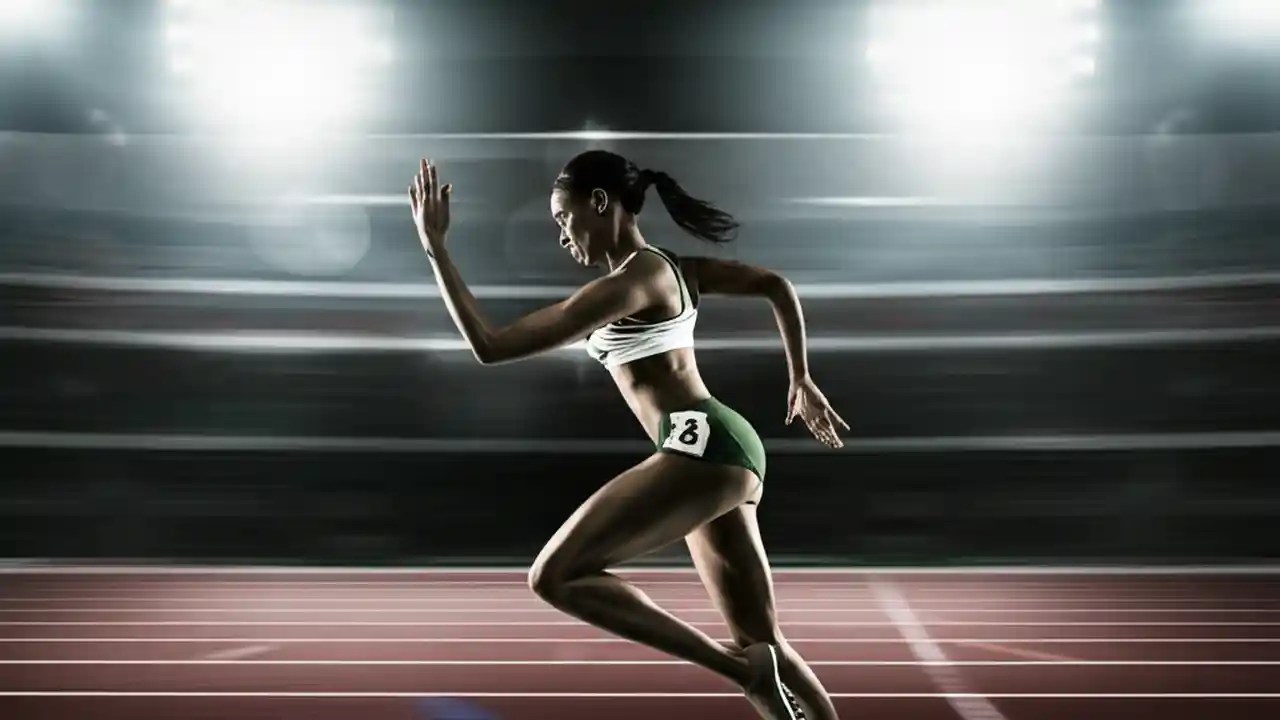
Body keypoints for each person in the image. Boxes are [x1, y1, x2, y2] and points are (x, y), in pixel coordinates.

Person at [409, 150, 847, 720]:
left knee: (556, 575)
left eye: (564, 218)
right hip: (723, 443)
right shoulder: (672, 268)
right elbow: (775, 284)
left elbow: (490, 345)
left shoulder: (629, 282)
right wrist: (800, 377)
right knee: (768, 644)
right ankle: (753, 670)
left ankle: (740, 671)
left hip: (702, 446)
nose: (563, 236)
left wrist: (436, 248)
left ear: (599, 204)